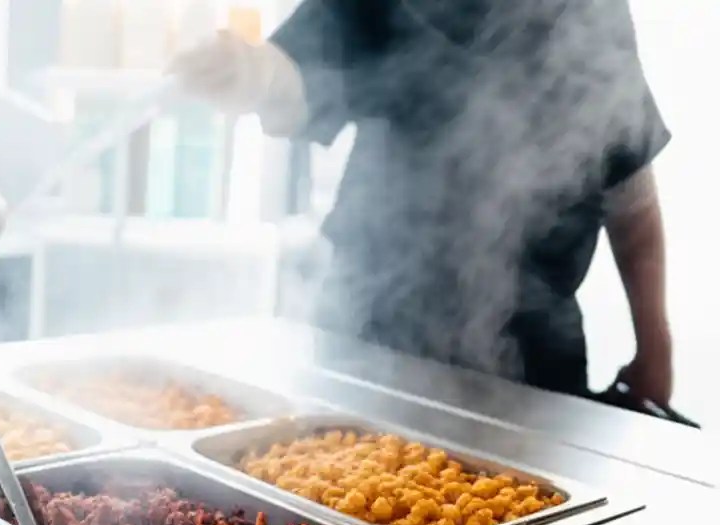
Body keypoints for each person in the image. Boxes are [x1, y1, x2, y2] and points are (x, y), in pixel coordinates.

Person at [170, 0, 673, 405]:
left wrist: (655, 345)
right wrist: (257, 75)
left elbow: (629, 191)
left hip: (534, 358)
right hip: (371, 334)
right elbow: (302, 78)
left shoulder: (591, 12)